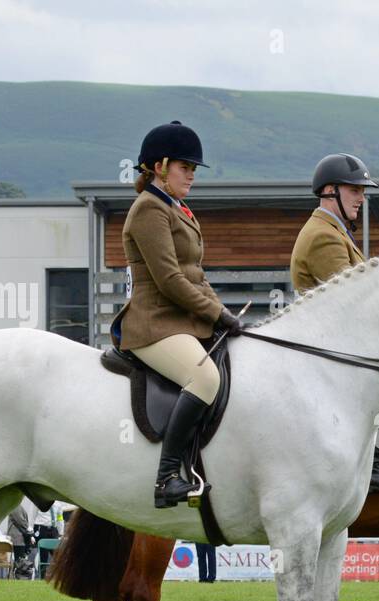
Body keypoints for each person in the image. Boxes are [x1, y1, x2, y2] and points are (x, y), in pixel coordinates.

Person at [118, 120, 241, 508]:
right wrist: (218, 314)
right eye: (184, 167)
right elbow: (170, 280)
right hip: (154, 325)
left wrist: (223, 312)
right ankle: (167, 476)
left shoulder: (178, 209)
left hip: (181, 322)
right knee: (205, 377)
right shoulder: (148, 210)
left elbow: (195, 275)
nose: (191, 174)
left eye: (193, 168)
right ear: (159, 166)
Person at [289, 152, 379, 495]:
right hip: (331, 346)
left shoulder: (335, 232)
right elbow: (354, 302)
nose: (362, 197)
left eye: (363, 190)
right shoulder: (323, 236)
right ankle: (377, 463)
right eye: (355, 189)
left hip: (342, 340)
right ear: (330, 190)